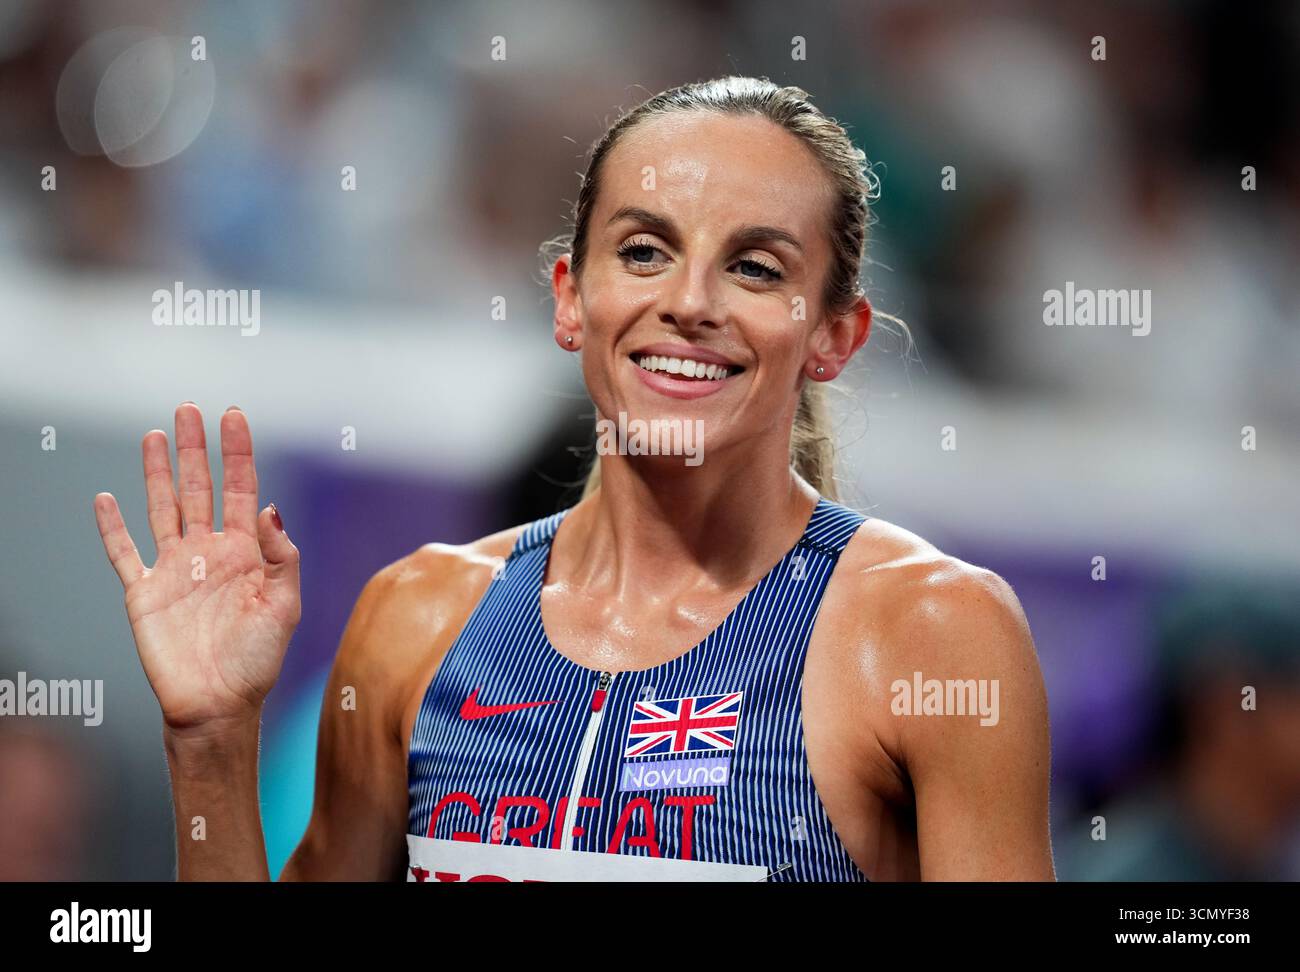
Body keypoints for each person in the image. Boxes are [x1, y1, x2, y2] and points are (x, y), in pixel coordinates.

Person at [93, 76, 1053, 881]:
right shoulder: (417, 618)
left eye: (755, 268)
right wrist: (212, 741)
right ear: (569, 297)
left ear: (835, 338)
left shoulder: (931, 637)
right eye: (644, 251)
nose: (688, 303)